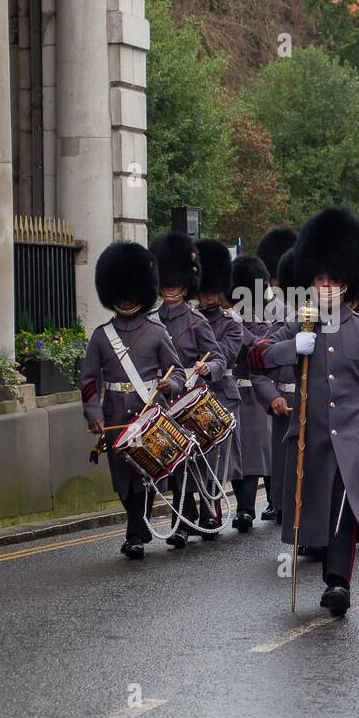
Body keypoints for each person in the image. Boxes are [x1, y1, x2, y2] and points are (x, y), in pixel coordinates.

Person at [247, 207, 359, 617]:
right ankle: (328, 571)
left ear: (346, 283)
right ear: (310, 282)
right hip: (310, 436)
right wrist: (290, 348)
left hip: (353, 436)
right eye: (319, 280)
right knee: (316, 508)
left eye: (333, 281)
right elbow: (254, 359)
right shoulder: (299, 324)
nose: (326, 287)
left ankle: (338, 582)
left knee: (347, 509)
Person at [78, 242, 186, 560]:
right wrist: (93, 414)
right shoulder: (101, 336)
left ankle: (135, 532)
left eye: (131, 292)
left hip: (148, 412)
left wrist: (170, 385)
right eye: (121, 293)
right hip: (114, 415)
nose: (126, 299)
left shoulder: (156, 331)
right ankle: (136, 524)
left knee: (143, 475)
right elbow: (88, 381)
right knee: (121, 477)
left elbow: (177, 371)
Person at [149, 232, 227, 545]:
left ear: (185, 286)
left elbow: (219, 358)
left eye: (176, 284)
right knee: (172, 461)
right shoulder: (151, 320)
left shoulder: (196, 321)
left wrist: (208, 368)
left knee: (191, 461)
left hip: (190, 398)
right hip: (162, 401)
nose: (170, 288)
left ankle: (194, 516)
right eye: (166, 283)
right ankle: (187, 518)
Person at [195, 238, 246, 525]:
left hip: (221, 393)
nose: (209, 296)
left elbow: (224, 356)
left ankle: (211, 508)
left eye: (213, 290)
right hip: (191, 392)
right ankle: (193, 511)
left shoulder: (231, 323)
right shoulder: (187, 320)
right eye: (204, 290)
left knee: (216, 456)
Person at [229, 254, 277, 531]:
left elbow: (265, 349)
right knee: (239, 455)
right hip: (236, 393)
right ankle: (244, 509)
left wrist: (241, 331)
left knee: (265, 452)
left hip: (260, 392)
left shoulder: (267, 320)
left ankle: (274, 501)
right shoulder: (229, 320)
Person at [256, 228, 298, 525]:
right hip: (285, 396)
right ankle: (280, 504)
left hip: (316, 402)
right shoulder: (277, 317)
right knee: (281, 460)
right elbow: (259, 363)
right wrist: (274, 396)